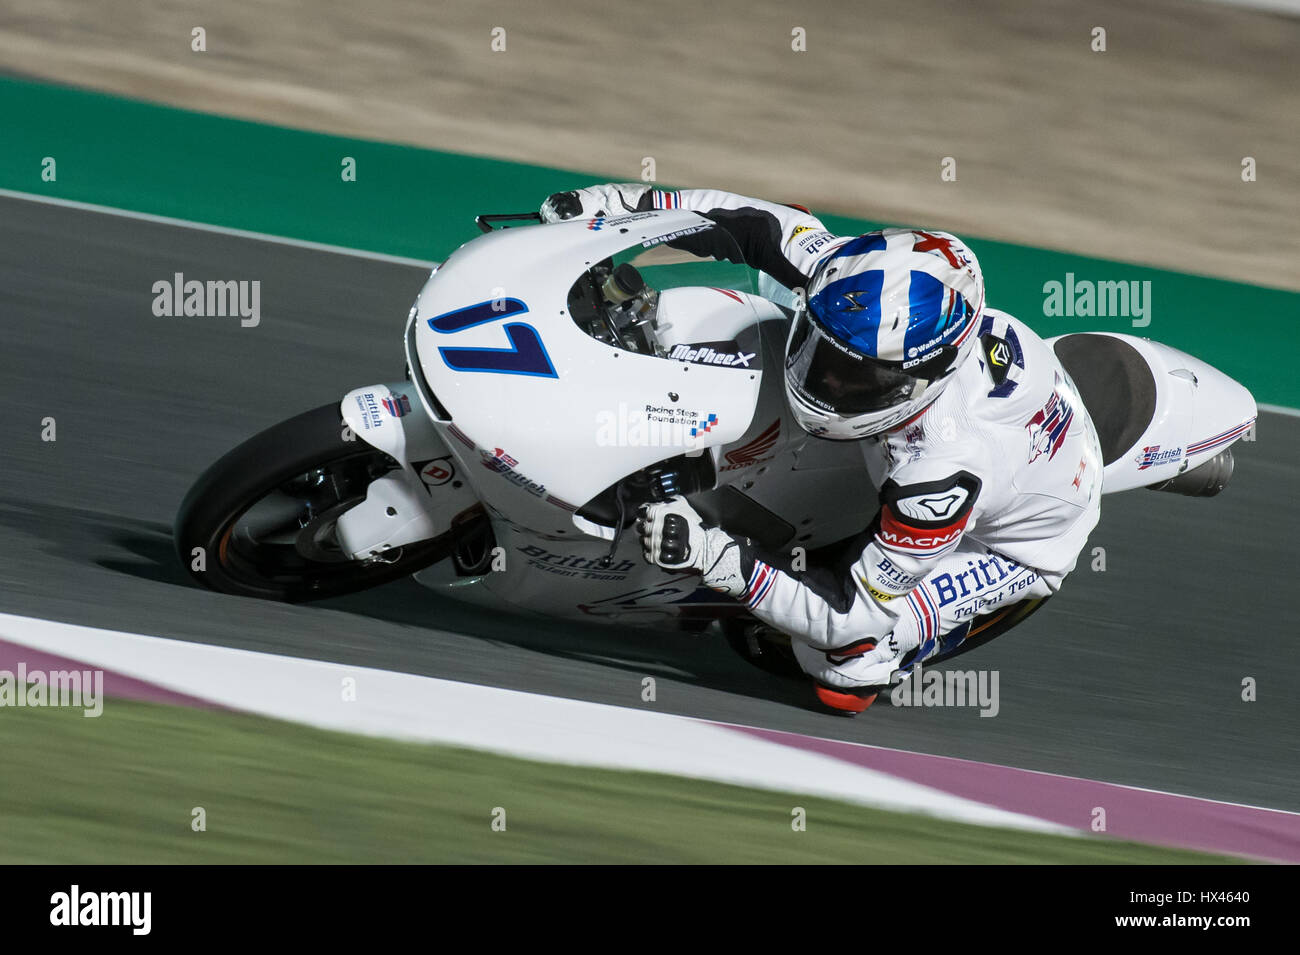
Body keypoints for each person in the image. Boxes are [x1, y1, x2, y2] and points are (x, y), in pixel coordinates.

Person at [541, 184, 1103, 713]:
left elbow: (847, 617)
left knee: (840, 660)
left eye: (859, 379)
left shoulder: (943, 471)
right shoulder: (850, 288)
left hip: (1010, 541)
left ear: (924, 378)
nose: (828, 384)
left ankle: (897, 653)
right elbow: (755, 223)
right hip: (950, 444)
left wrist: (712, 556)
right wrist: (605, 208)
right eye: (823, 355)